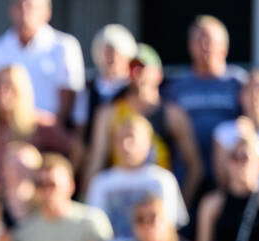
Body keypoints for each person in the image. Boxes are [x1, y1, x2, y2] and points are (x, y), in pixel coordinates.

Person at [84, 43, 202, 204]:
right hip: (119, 201)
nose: (137, 72)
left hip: (157, 203)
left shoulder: (173, 115)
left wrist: (180, 205)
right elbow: (96, 161)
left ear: (158, 74)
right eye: (132, 67)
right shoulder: (108, 113)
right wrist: (87, 200)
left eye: (142, 66)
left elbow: (194, 166)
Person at [84, 114, 188, 241]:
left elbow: (169, 228)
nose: (126, 145)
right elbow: (94, 233)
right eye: (120, 139)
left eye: (131, 138)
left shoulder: (162, 179)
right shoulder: (100, 183)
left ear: (148, 143)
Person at [164, 15, 247, 195]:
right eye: (198, 40)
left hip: (228, 176)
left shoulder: (238, 83)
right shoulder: (176, 86)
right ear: (189, 46)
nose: (204, 46)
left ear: (224, 46)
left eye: (209, 40)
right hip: (186, 177)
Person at [0, 0, 85, 124]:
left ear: (47, 12)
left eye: (31, 6)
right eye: (19, 6)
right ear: (11, 10)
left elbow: (71, 99)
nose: (24, 12)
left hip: (51, 136)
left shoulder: (65, 46)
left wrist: (48, 130)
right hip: (6, 135)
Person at [0, 65, 74, 188]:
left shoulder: (41, 125)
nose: (3, 92)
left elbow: (76, 152)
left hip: (26, 200)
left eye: (9, 86)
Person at [76, 24, 138, 144]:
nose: (112, 58)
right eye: (107, 52)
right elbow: (80, 126)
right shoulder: (88, 89)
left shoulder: (133, 88)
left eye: (117, 52)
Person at [1, 141, 42, 230]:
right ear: (4, 169)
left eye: (23, 166)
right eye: (13, 166)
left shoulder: (44, 206)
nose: (18, 172)